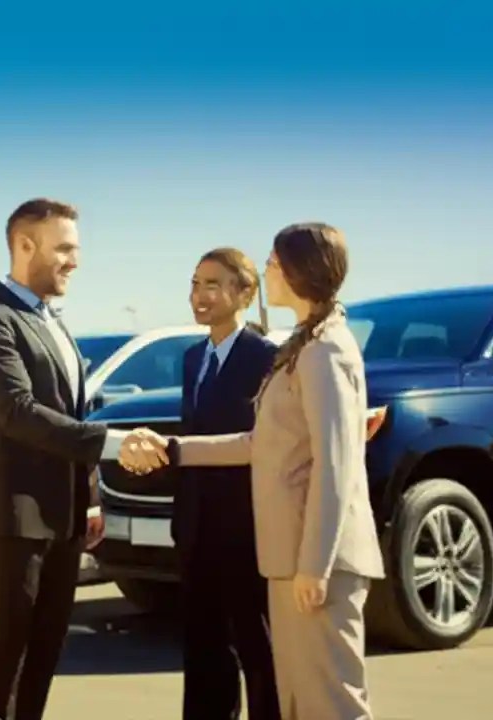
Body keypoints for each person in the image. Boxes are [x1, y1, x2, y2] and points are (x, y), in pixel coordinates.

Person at [120, 222, 385, 720]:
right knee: (299, 703)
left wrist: (316, 564)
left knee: (333, 702)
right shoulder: (304, 347)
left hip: (313, 557)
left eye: (275, 261)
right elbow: (260, 444)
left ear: (301, 270)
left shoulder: (326, 350)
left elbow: (335, 463)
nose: (267, 269)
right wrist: (172, 449)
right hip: (285, 556)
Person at [0, 198, 159, 720]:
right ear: (25, 245)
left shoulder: (52, 323)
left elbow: (71, 410)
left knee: (42, 657)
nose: (74, 261)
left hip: (64, 522)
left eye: (76, 249)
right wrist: (114, 444)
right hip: (15, 520)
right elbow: (15, 412)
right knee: (2, 661)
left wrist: (89, 500)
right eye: (64, 248)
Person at [174, 248, 281, 720]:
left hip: (247, 526)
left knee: (258, 646)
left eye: (213, 285)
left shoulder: (268, 358)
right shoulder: (192, 358)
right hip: (196, 527)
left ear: (244, 293)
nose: (200, 296)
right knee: (202, 648)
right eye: (196, 284)